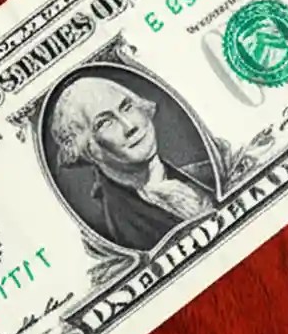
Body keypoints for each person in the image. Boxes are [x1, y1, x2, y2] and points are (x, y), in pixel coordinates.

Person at [50, 76, 214, 252]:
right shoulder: (123, 227)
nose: (130, 126)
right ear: (89, 149)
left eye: (127, 107)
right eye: (105, 122)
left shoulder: (205, 172)